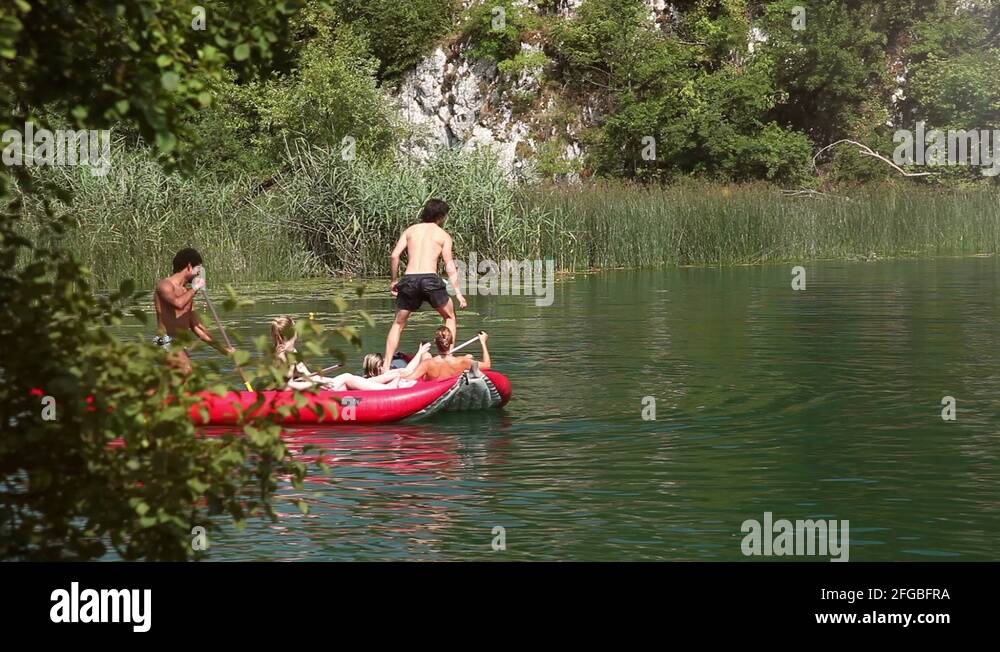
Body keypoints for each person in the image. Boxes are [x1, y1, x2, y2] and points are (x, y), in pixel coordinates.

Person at [382, 198, 468, 373]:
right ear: (441, 216)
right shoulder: (443, 235)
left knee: (398, 323)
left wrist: (394, 281)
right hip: (430, 280)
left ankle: (385, 365)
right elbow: (449, 265)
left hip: (409, 279)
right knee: (450, 317)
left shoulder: (410, 230)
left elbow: (394, 256)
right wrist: (458, 293)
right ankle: (447, 358)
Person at [272, 314, 432, 391]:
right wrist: (317, 384)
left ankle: (391, 384)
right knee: (348, 377)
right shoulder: (284, 355)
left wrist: (321, 380)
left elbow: (306, 376)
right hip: (310, 392)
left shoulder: (292, 351)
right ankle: (390, 390)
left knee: (350, 378)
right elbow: (286, 386)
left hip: (315, 388)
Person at [153, 247, 232, 374]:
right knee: (187, 370)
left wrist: (224, 350)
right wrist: (195, 288)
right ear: (189, 266)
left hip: (180, 345)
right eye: (198, 269)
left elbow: (198, 328)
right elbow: (178, 304)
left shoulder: (186, 292)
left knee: (191, 377)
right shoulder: (165, 285)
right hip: (164, 341)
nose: (199, 274)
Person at [403, 326, 491, 382]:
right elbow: (487, 365)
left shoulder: (427, 363)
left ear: (435, 342)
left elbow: (408, 379)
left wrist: (420, 352)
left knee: (426, 355)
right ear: (451, 341)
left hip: (433, 386)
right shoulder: (462, 361)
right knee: (469, 357)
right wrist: (483, 342)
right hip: (453, 378)